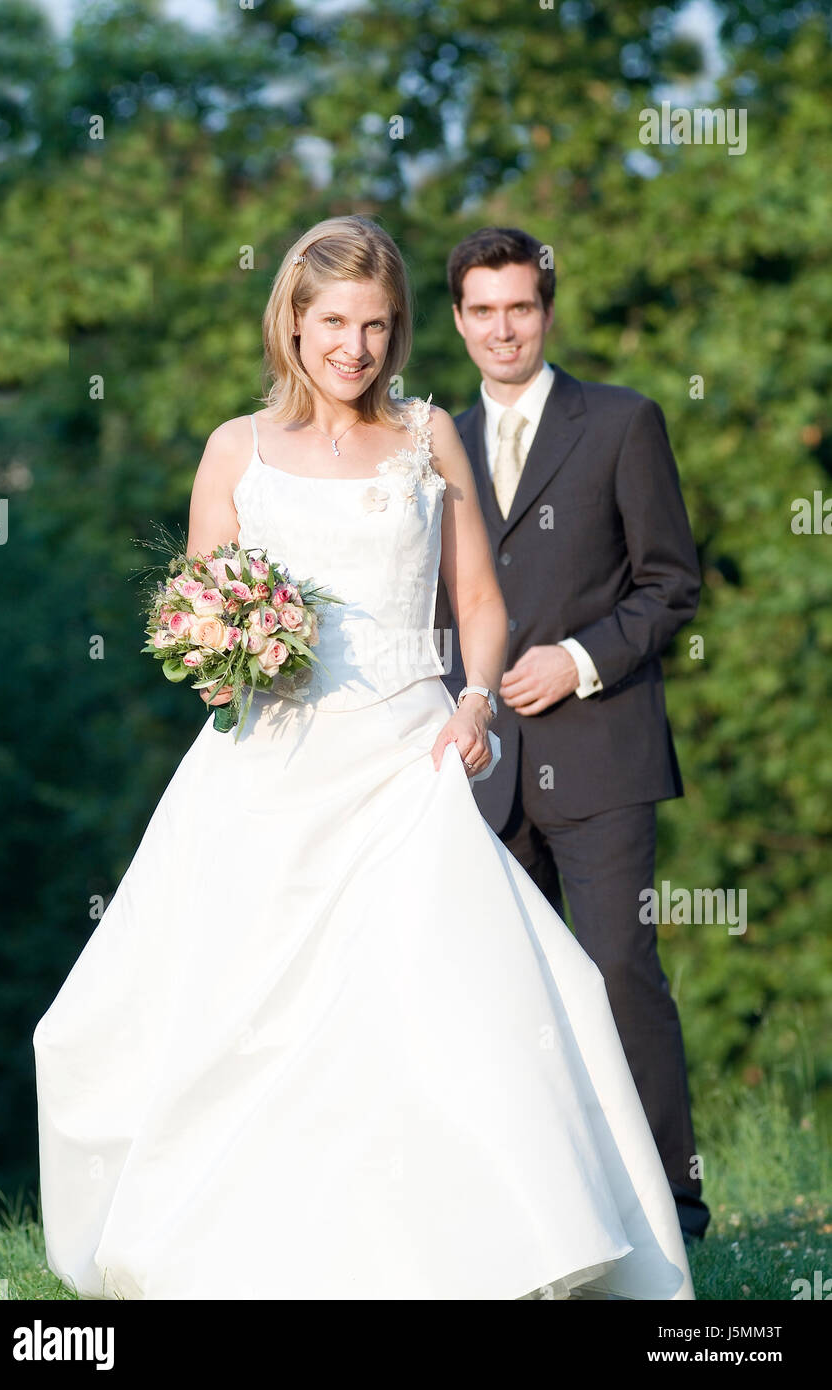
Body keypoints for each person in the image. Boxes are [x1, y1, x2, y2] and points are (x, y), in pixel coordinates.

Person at [33, 215, 694, 1300]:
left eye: (377, 326)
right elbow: (202, 613)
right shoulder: (232, 451)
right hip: (270, 764)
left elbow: (478, 602)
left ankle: (470, 1248)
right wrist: (219, 659)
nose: (355, 347)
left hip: (408, 747)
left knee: (432, 1003)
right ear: (291, 319)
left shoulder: (430, 436)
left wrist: (476, 700)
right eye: (333, 321)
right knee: (245, 1010)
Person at [434, 225, 710, 1245]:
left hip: (601, 755)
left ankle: (672, 1212)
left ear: (545, 311)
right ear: (458, 319)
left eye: (519, 307)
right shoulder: (436, 443)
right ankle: (541, 1219)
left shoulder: (623, 423)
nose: (501, 328)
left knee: (616, 971)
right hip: (483, 770)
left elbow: (670, 584)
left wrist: (579, 659)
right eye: (481, 310)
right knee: (501, 994)